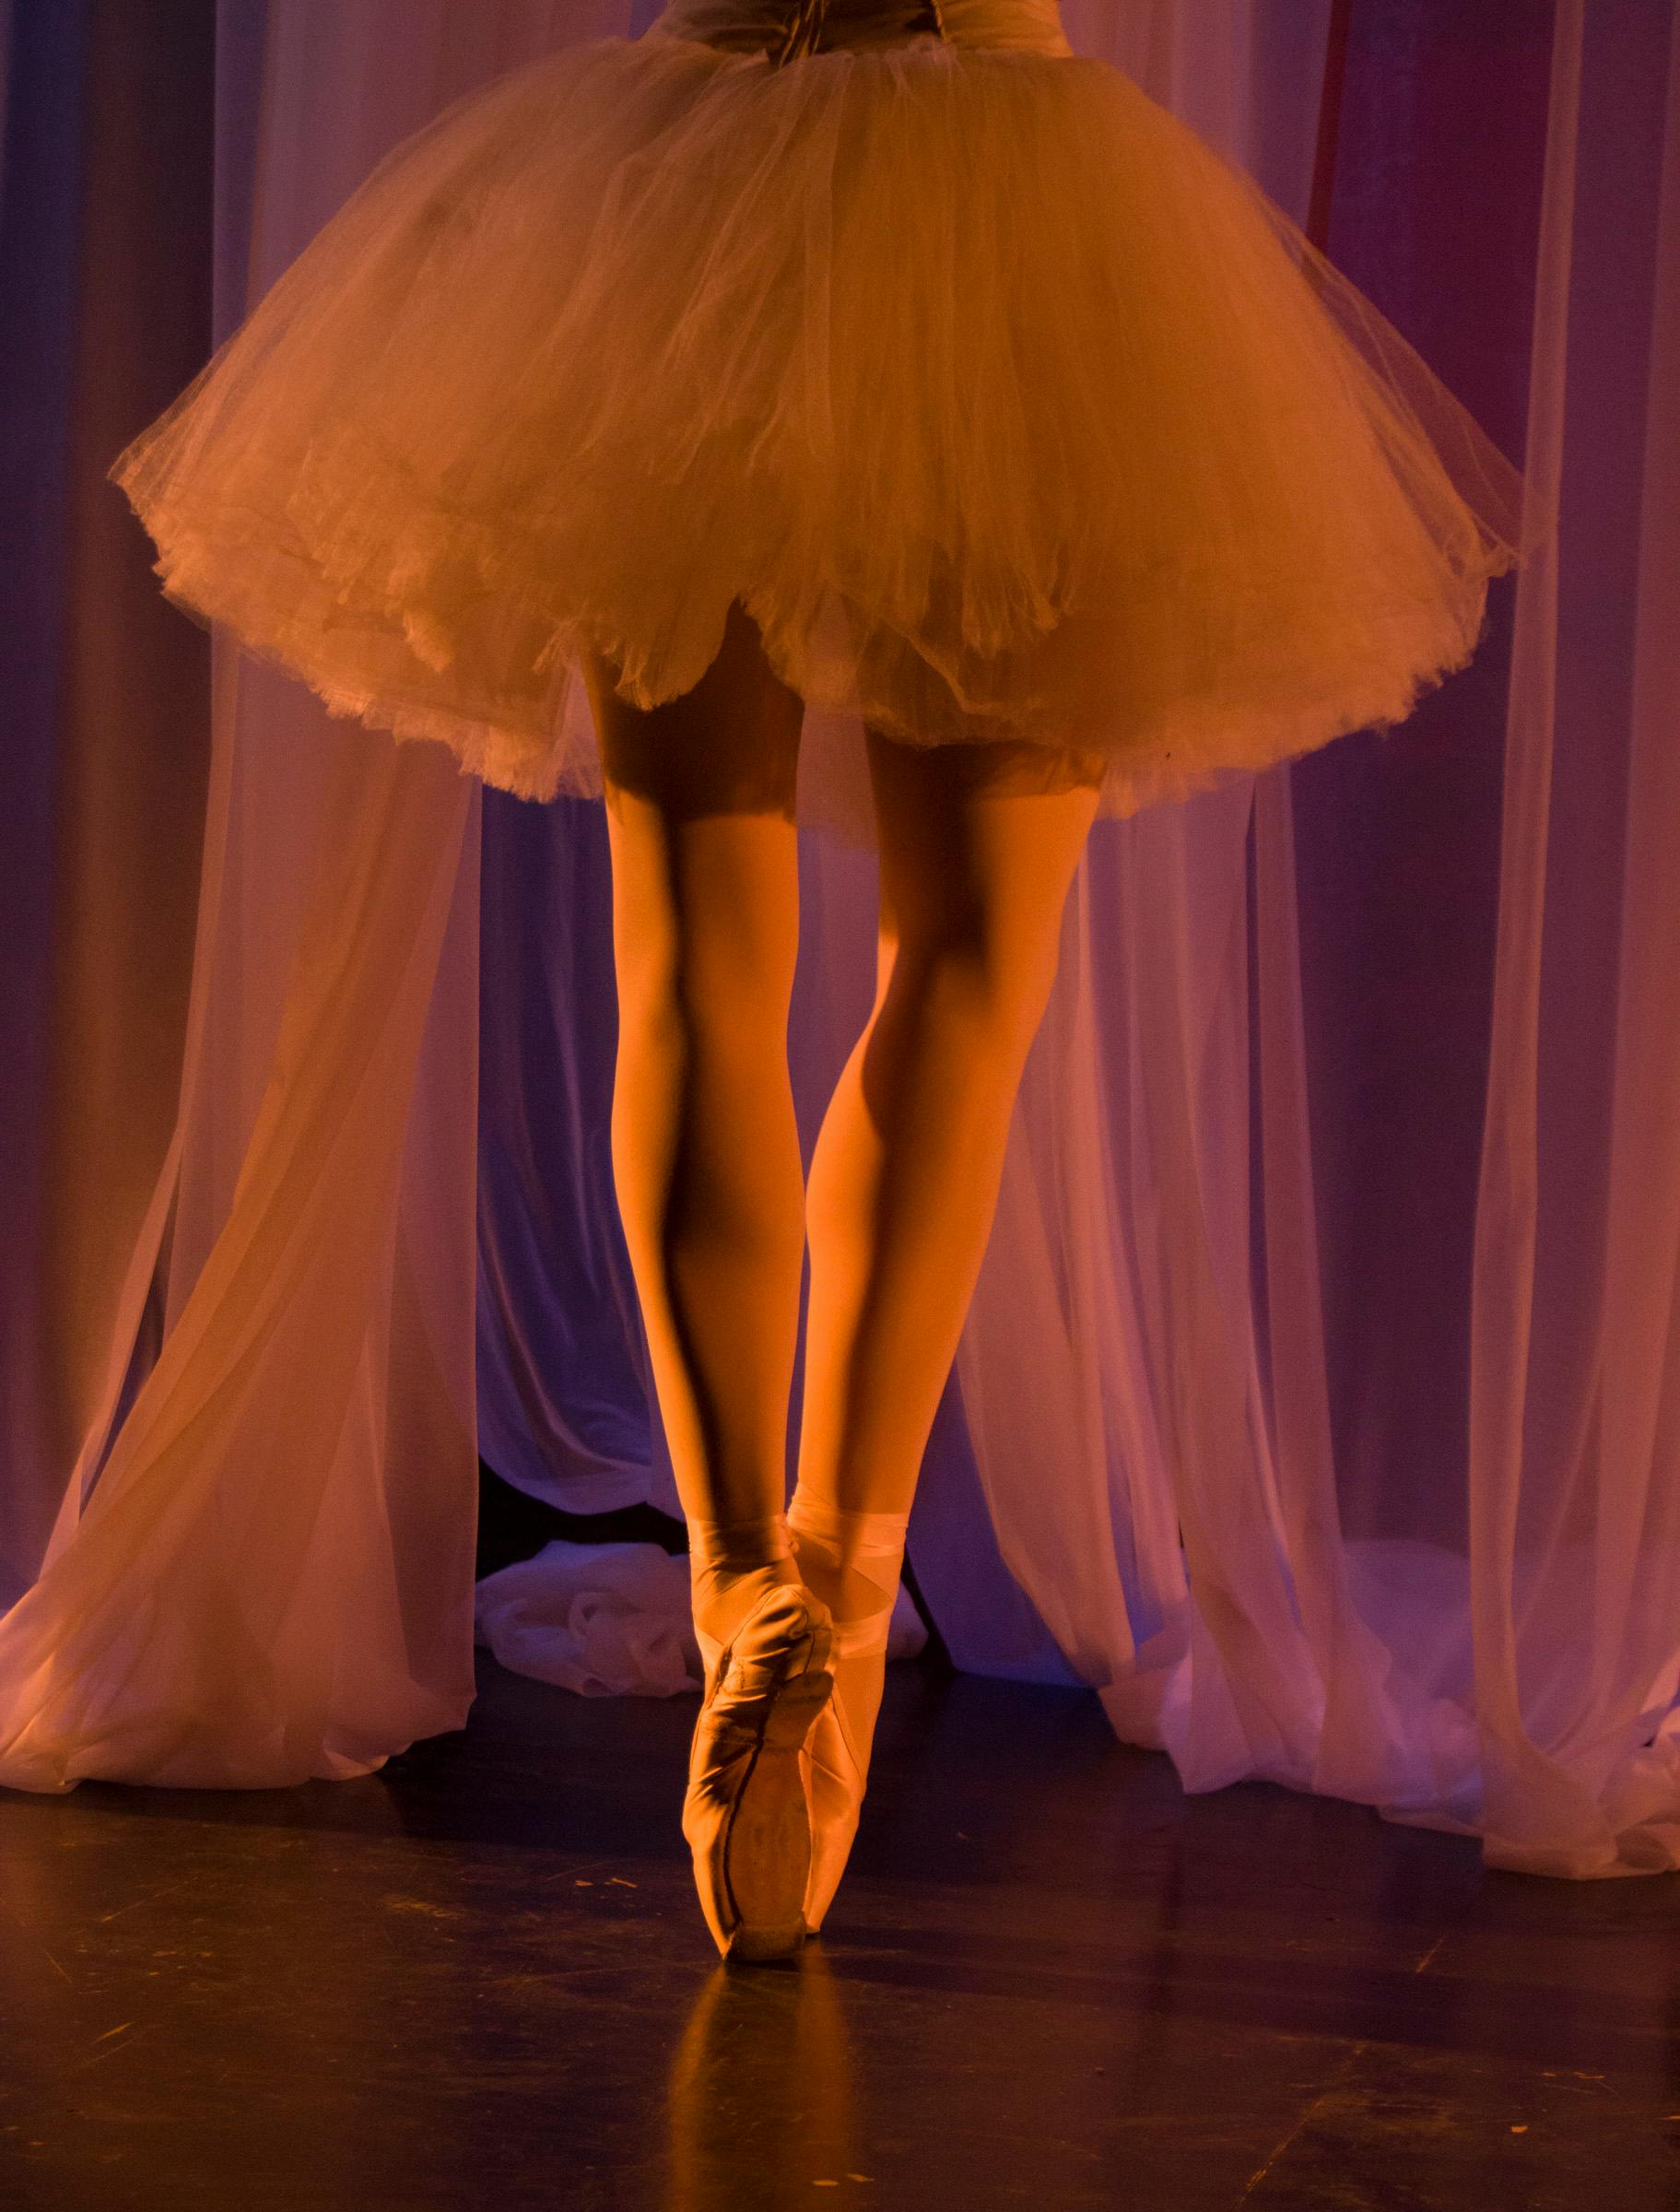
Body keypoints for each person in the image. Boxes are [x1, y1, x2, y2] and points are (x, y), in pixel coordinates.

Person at [106, 0, 1528, 1961]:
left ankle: (730, 1580)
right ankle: (836, 1588)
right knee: (965, 950)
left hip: (692, 193)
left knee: (690, 935)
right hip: (1006, 220)